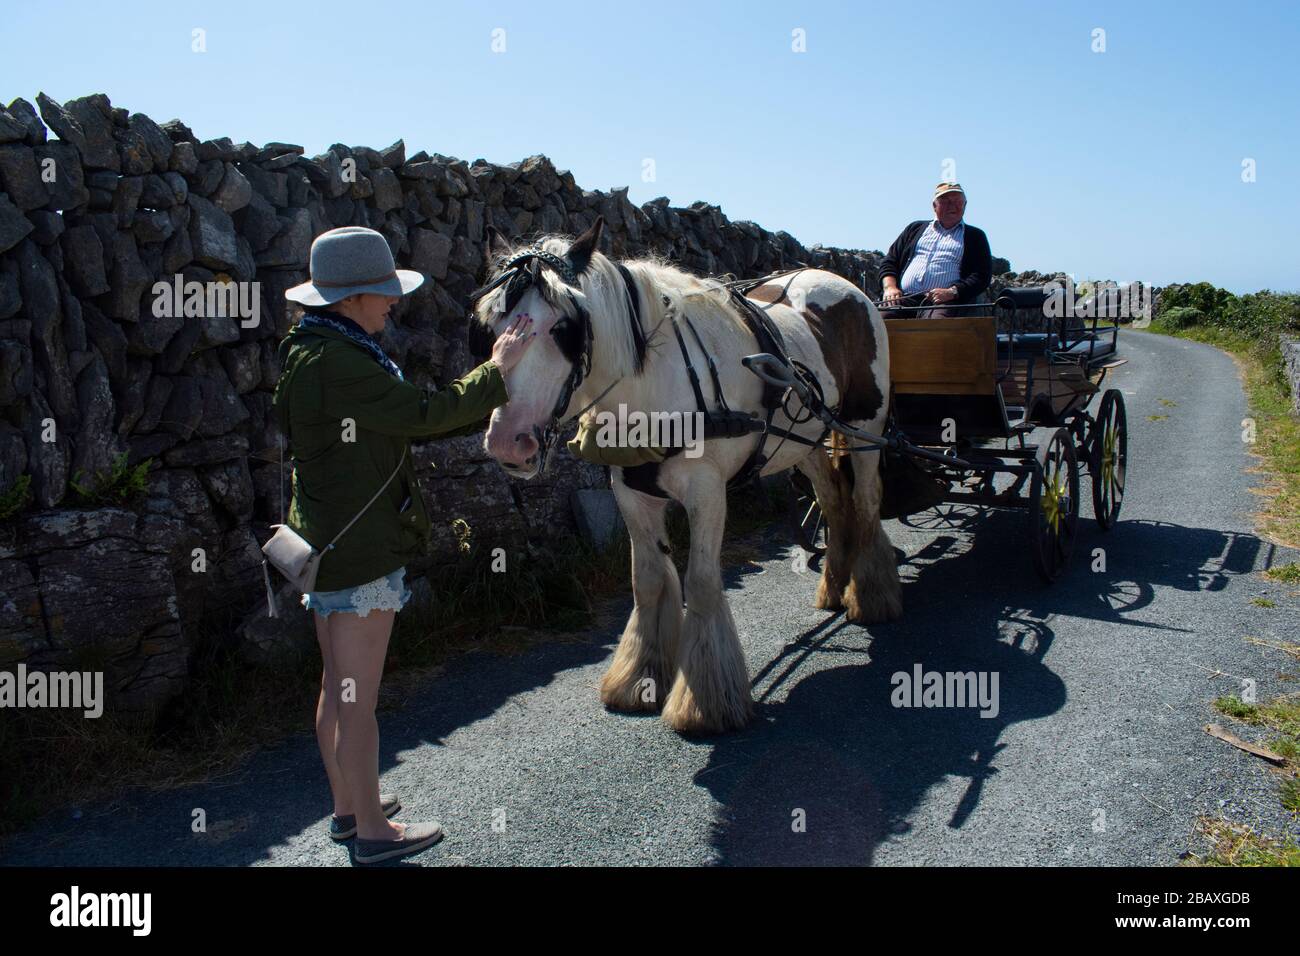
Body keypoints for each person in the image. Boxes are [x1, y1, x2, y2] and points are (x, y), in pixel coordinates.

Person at [272, 226, 535, 864]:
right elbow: (423, 415)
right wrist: (496, 371)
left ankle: (348, 808)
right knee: (357, 698)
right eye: (383, 292)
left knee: (337, 688)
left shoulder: (309, 349)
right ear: (351, 297)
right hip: (359, 550)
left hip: (324, 541)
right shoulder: (341, 363)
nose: (394, 302)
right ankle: (373, 834)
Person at [879, 183, 992, 317]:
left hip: (943, 302)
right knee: (877, 321)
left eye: (957, 201)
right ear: (934, 205)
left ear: (965, 205)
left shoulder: (975, 236)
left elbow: (981, 275)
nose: (952, 205)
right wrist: (890, 288)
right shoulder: (914, 229)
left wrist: (952, 292)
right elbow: (890, 261)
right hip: (904, 299)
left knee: (936, 326)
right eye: (946, 201)